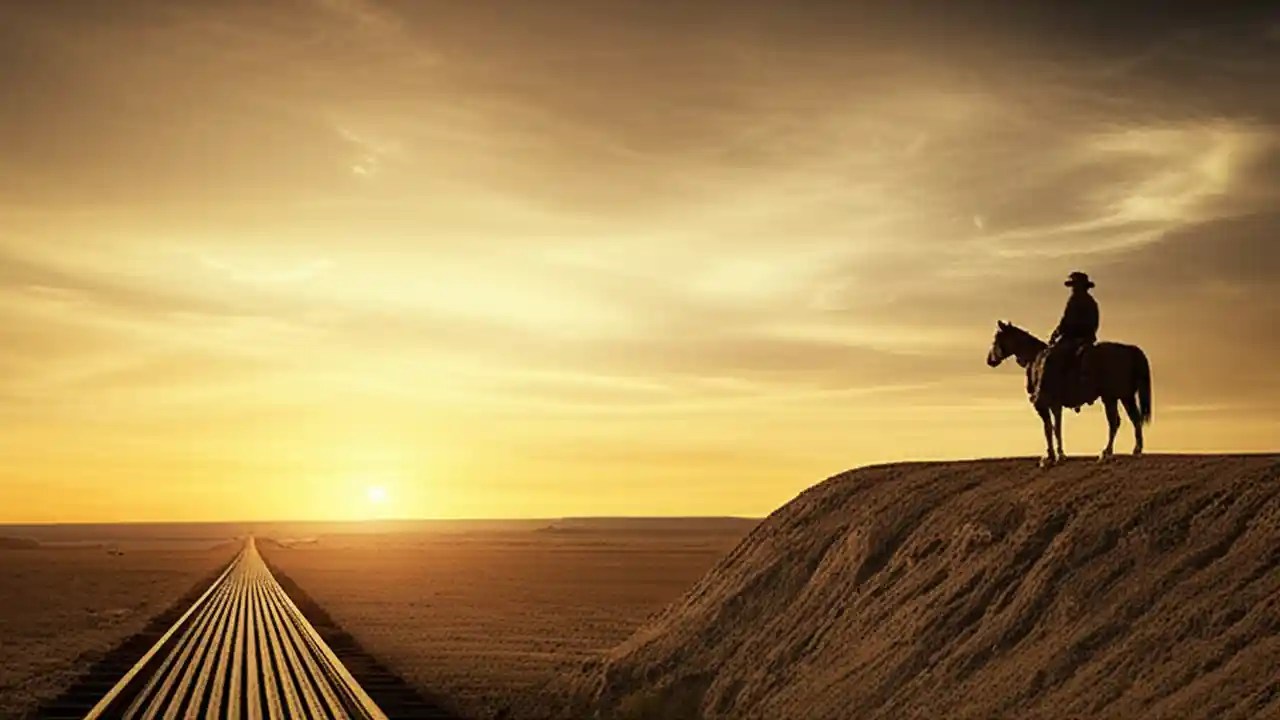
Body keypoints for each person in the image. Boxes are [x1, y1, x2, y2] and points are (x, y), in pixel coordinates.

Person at [1035, 272, 1099, 406]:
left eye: (1075, 285)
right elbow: (1094, 322)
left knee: (1050, 358)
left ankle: (1044, 393)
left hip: (1074, 338)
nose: (1073, 288)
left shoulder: (1075, 300)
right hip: (1087, 338)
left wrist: (1057, 333)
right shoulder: (1091, 302)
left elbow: (1066, 321)